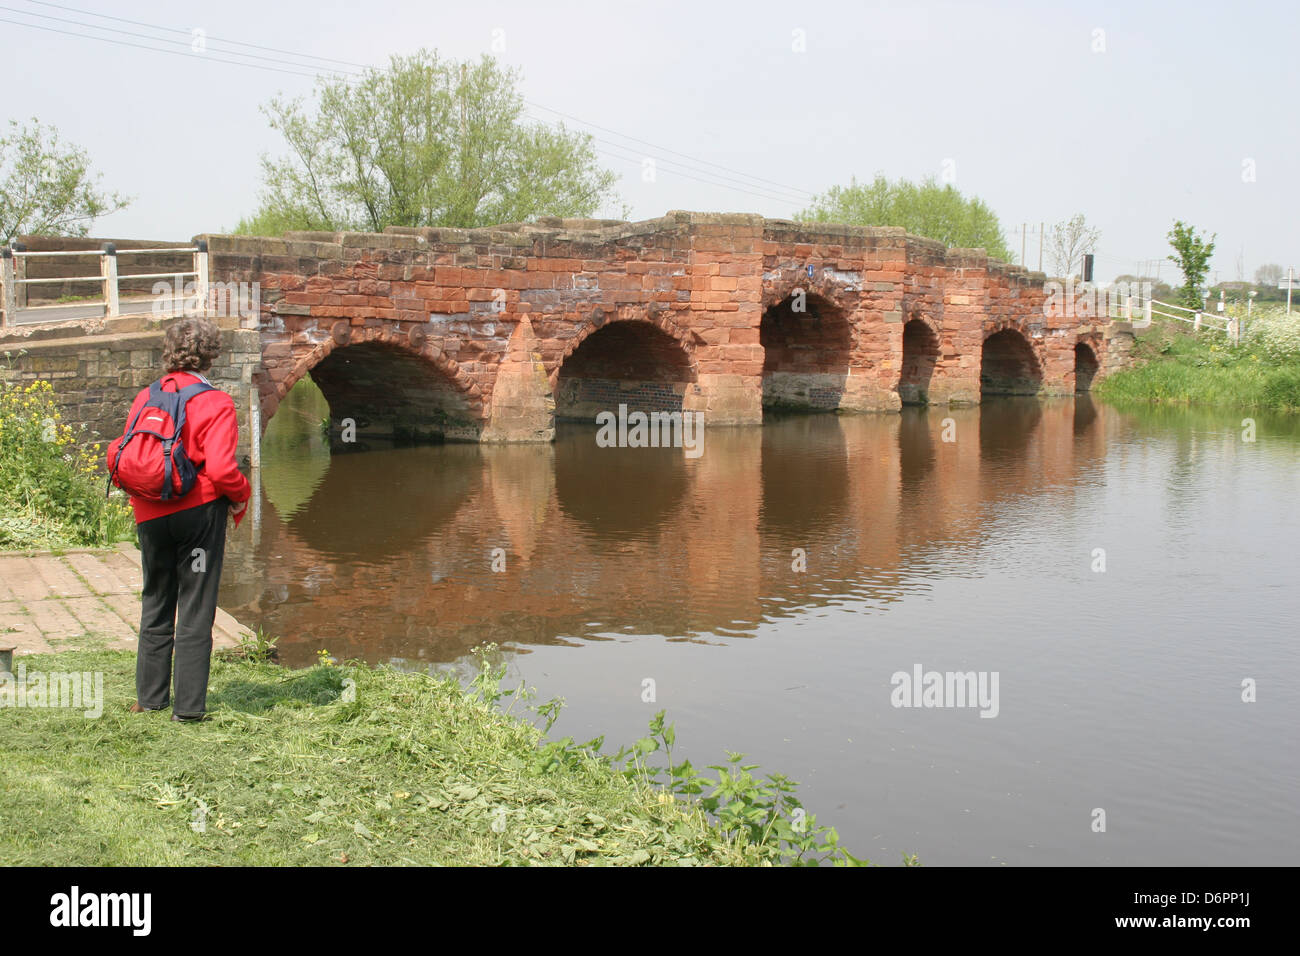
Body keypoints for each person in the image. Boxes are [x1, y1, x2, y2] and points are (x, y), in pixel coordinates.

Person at [122, 318, 251, 721]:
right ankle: (189, 709)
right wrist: (242, 495)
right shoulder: (215, 402)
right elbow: (222, 469)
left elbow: (133, 453)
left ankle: (150, 699)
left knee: (156, 599)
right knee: (195, 605)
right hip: (197, 514)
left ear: (169, 353)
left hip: (149, 510)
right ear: (210, 356)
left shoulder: (146, 396)